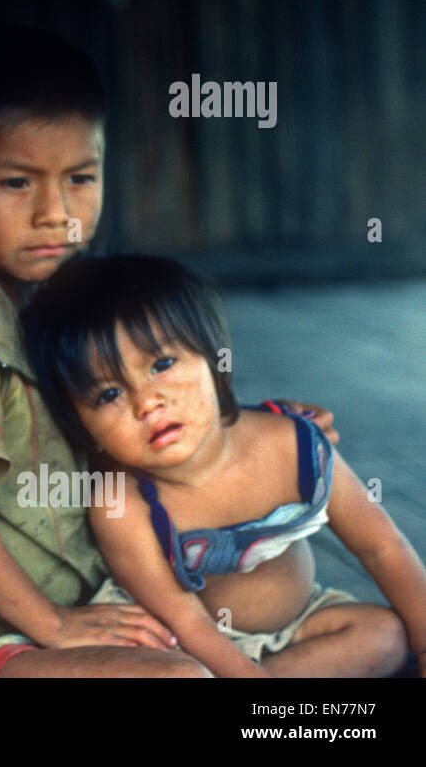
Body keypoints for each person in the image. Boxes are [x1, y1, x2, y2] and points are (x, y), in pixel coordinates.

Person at [0, 25, 334, 677]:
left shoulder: (81, 303)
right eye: (16, 183)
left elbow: (152, 411)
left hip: (107, 602)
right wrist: (54, 625)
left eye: (80, 178)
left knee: (370, 637)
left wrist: (255, 424)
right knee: (184, 676)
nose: (55, 213)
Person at [23, 254, 423, 677]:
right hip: (181, 646)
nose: (147, 403)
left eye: (161, 365)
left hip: (296, 627)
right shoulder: (122, 502)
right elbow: (185, 618)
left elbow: (382, 547)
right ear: (82, 427)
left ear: (216, 362)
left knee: (388, 636)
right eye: (107, 395)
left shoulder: (294, 444)